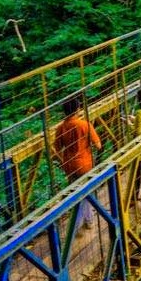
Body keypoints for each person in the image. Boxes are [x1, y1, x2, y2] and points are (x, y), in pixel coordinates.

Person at [53, 96, 102, 229]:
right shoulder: (85, 125)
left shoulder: (60, 128)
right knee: (87, 193)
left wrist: (63, 161)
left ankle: (81, 221)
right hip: (85, 164)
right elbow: (98, 145)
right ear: (78, 109)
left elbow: (56, 150)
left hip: (70, 166)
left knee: (75, 194)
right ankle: (85, 221)